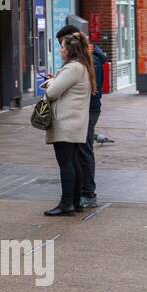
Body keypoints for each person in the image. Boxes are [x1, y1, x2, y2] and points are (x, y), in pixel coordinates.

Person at [41, 31, 94, 216]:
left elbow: (52, 93)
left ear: (70, 49)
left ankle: (66, 204)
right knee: (73, 162)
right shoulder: (83, 66)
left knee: (66, 164)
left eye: (62, 47)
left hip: (66, 122)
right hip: (75, 122)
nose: (60, 50)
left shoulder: (73, 68)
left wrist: (51, 82)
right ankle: (76, 202)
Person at [56, 24, 106, 208]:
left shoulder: (90, 60)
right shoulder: (80, 60)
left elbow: (92, 89)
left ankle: (88, 193)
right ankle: (78, 193)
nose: (61, 49)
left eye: (62, 44)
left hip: (88, 110)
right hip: (82, 109)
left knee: (83, 149)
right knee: (77, 150)